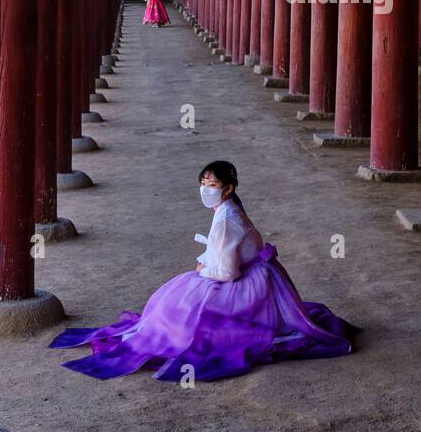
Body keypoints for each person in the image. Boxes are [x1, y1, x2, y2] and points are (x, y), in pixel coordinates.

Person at [50, 160, 355, 382]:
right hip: (262, 276)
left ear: (229, 188)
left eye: (213, 186)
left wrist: (203, 268)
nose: (206, 190)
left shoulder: (225, 219)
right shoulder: (231, 208)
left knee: (179, 306)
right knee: (175, 298)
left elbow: (227, 272)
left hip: (244, 283)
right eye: (204, 184)